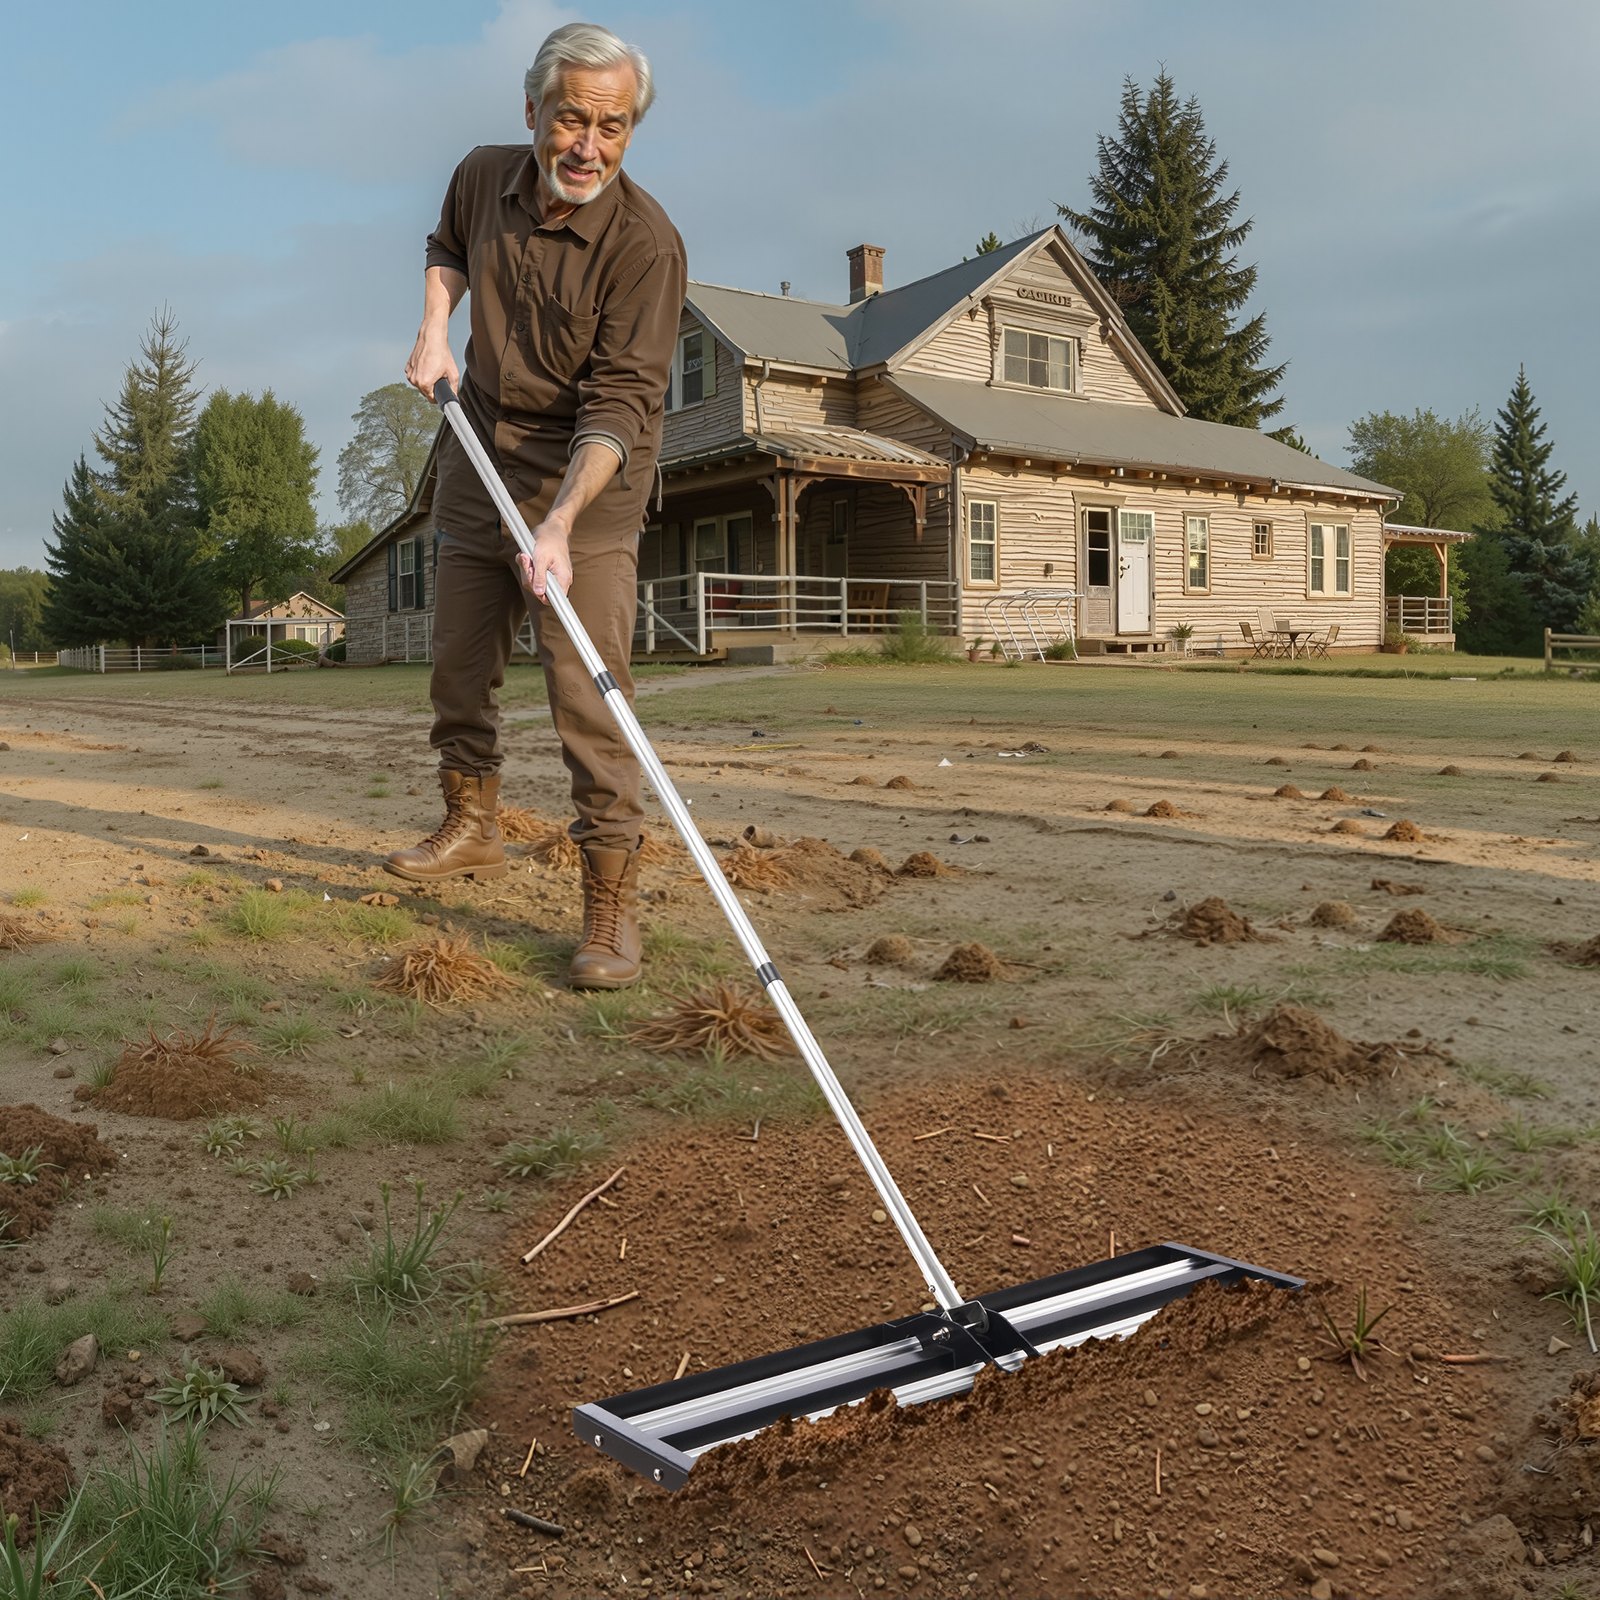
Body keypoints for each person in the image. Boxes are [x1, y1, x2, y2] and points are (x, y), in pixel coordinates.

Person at [387, 21, 686, 991]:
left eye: (612, 126)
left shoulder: (645, 244)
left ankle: (610, 898)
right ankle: (471, 824)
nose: (588, 146)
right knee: (457, 663)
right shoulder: (481, 177)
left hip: (589, 487)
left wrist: (558, 523)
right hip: (477, 454)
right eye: (570, 119)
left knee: (586, 696)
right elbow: (445, 247)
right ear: (533, 114)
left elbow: (621, 404)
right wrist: (436, 329)